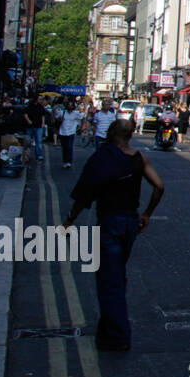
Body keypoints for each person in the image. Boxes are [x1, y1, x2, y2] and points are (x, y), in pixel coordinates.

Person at [63, 118, 165, 351]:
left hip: (110, 221)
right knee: (117, 274)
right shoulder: (139, 158)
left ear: (110, 132)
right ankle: (109, 327)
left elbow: (84, 194)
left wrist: (70, 219)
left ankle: (116, 335)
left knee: (110, 280)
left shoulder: (103, 157)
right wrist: (147, 213)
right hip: (131, 222)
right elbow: (159, 185)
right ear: (130, 136)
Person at [57, 101, 85, 169]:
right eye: (69, 105)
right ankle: (65, 161)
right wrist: (60, 119)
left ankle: (69, 162)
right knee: (64, 148)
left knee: (69, 147)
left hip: (71, 132)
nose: (70, 107)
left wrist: (81, 127)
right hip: (63, 132)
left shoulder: (76, 113)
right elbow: (56, 118)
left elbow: (83, 117)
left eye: (71, 105)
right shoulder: (62, 112)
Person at [22, 95, 46, 162]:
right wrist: (28, 120)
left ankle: (39, 155)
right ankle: (26, 155)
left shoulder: (41, 107)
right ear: (36, 99)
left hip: (38, 126)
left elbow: (43, 115)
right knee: (28, 142)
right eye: (40, 99)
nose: (41, 100)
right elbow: (25, 114)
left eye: (42, 99)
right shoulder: (30, 106)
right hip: (30, 126)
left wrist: (43, 123)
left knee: (39, 141)